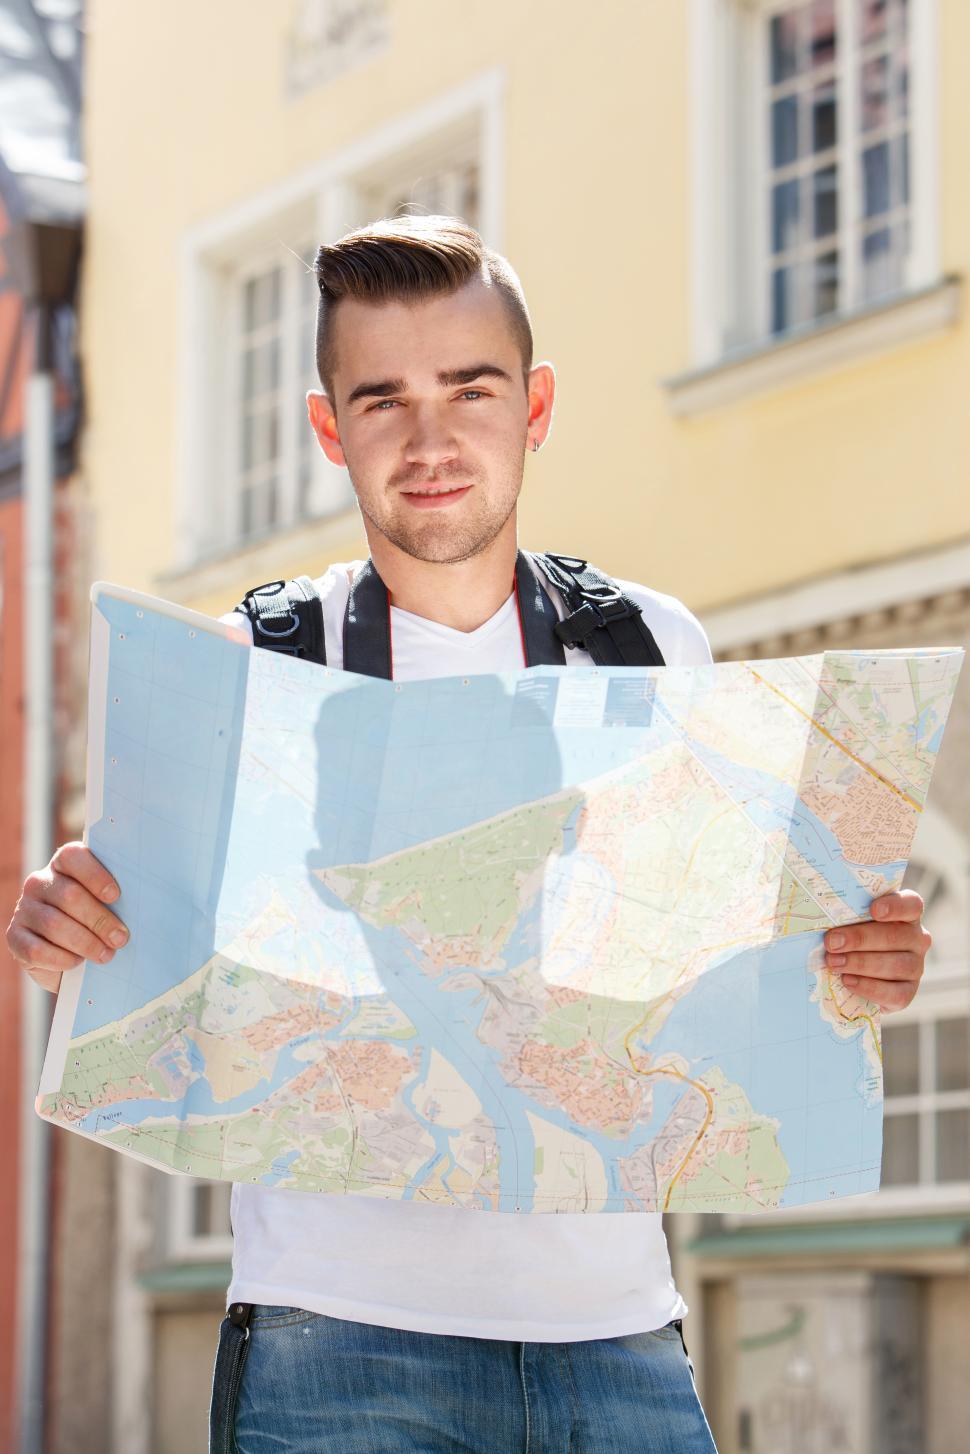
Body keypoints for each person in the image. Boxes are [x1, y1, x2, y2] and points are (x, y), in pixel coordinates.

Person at [7, 215, 933, 1454]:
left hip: (619, 1338)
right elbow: (141, 958)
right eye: (382, 399)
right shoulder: (251, 666)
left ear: (534, 405)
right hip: (336, 1342)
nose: (430, 440)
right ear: (329, 427)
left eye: (469, 388)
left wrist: (844, 970)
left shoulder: (655, 647)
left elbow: (703, 988)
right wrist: (67, 931)